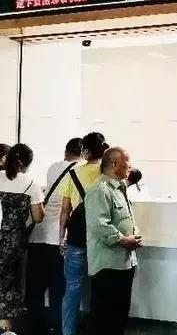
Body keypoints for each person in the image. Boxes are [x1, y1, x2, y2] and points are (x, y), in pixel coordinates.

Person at [27, 138, 83, 335]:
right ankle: (57, 327)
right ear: (83, 153)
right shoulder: (80, 170)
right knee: (58, 288)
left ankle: (35, 327)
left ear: (66, 151)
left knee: (35, 287)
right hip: (56, 237)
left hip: (38, 234)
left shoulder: (52, 167)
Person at [85, 147, 141, 335]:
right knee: (105, 320)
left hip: (124, 263)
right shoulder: (100, 190)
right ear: (115, 164)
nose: (130, 166)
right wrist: (123, 240)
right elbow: (100, 224)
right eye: (127, 161)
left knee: (119, 318)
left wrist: (135, 233)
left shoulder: (120, 189)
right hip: (107, 266)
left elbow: (126, 218)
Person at [59, 132, 108, 335]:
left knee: (72, 289)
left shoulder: (73, 174)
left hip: (77, 236)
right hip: (102, 238)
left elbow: (65, 210)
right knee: (102, 290)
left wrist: (61, 236)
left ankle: (68, 331)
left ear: (84, 151)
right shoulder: (108, 174)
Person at [0, 144, 44, 333]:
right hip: (13, 241)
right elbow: (38, 217)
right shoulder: (31, 184)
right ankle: (6, 328)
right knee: (9, 282)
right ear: (28, 163)